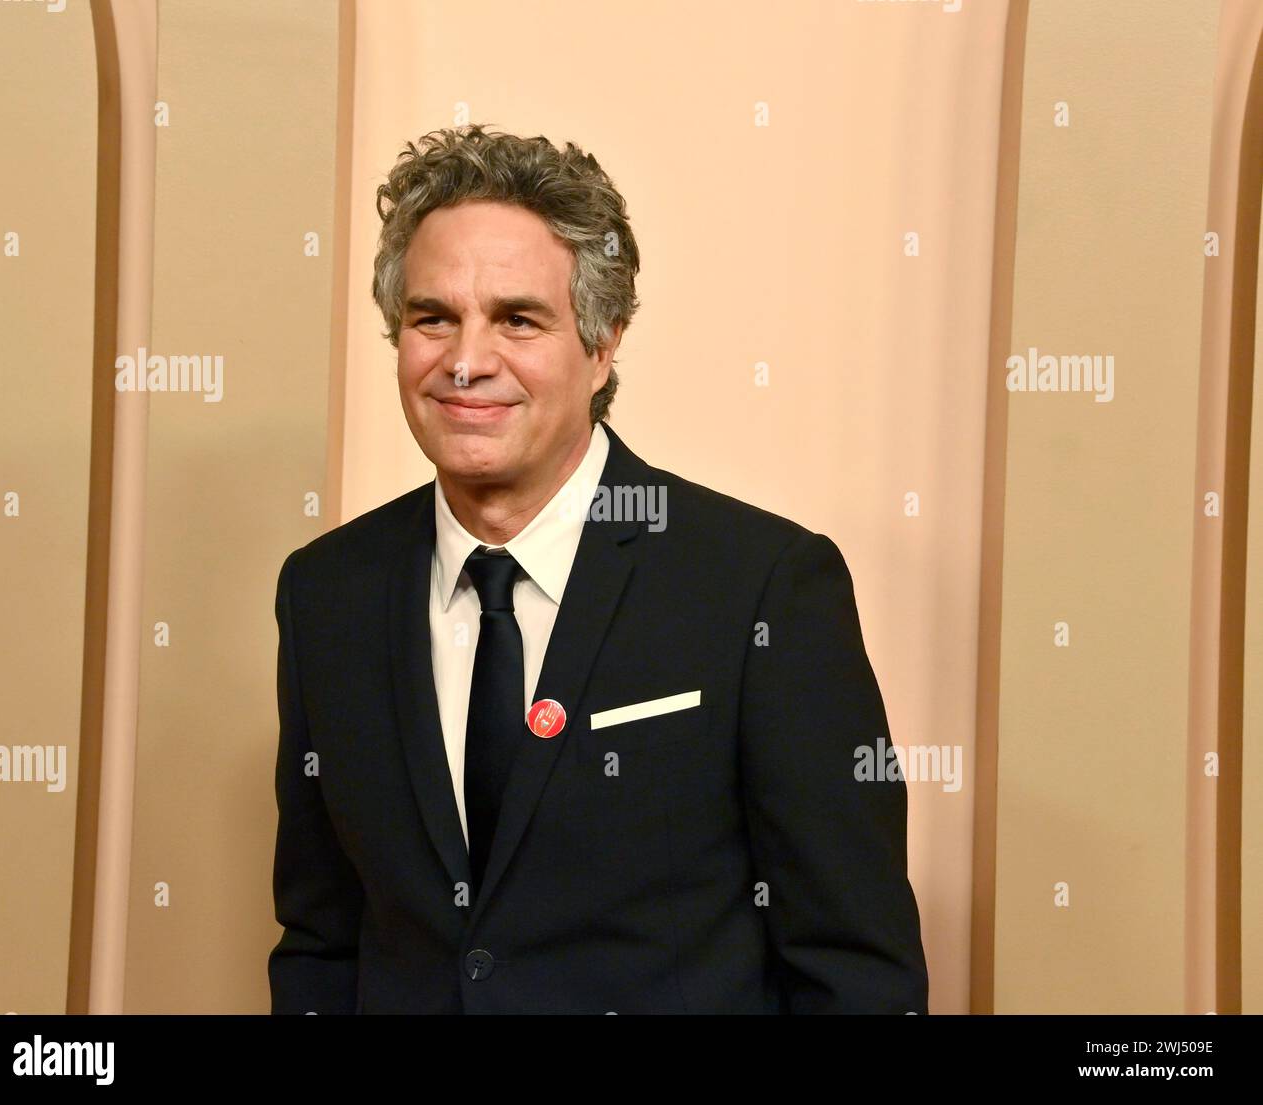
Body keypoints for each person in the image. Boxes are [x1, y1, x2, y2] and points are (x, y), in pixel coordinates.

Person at [268, 124, 927, 1013]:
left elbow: (857, 970)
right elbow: (323, 939)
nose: (466, 361)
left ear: (603, 342)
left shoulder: (761, 587)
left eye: (517, 319)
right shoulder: (325, 593)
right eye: (433, 318)